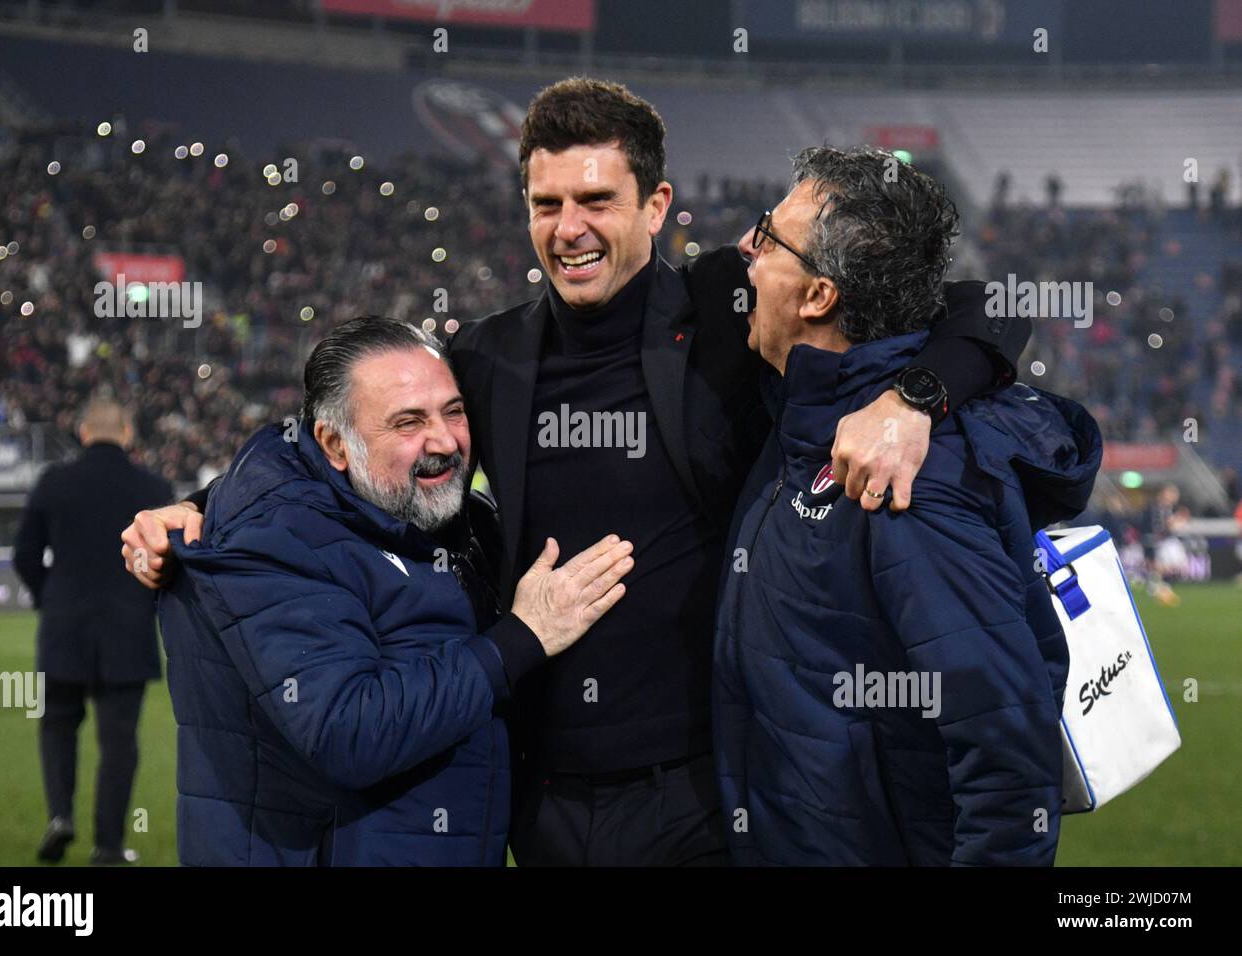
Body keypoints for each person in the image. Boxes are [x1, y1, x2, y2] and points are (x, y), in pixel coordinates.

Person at [121, 78, 1031, 866]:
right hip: (543, 798)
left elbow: (976, 306)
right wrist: (198, 507)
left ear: (656, 203)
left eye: (596, 199)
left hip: (704, 793)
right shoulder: (485, 359)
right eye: (546, 203)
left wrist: (913, 398)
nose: (570, 229)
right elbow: (353, 437)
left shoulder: (730, 307)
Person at [712, 146, 1102, 866]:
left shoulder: (911, 478)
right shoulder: (809, 415)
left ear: (818, 296)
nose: (746, 247)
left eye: (767, 235)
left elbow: (1008, 755)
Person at [155, 317, 633, 865]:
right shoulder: (276, 538)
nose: (444, 441)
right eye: (408, 423)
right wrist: (521, 638)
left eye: (453, 411)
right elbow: (346, 731)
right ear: (334, 444)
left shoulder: (446, 519)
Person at [13, 398, 172, 864]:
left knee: (58, 727)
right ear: (127, 432)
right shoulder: (154, 487)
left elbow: (24, 555)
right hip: (127, 632)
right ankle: (108, 845)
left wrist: (51, 599)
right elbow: (166, 563)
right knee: (119, 744)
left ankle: (60, 816)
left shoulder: (53, 483)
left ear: (83, 432)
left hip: (64, 630)